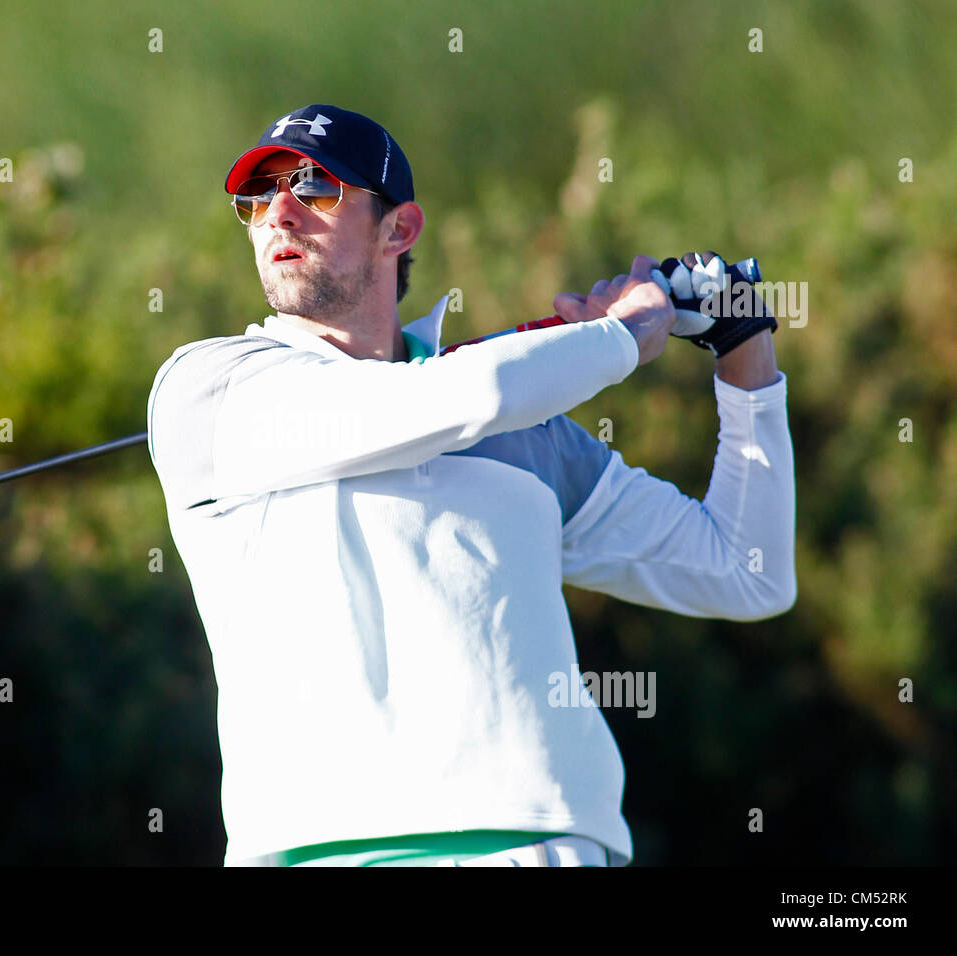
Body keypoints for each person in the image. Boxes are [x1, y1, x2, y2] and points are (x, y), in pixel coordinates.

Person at [146, 104, 795, 866]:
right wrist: (620, 338)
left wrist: (742, 343)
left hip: (543, 846)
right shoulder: (209, 389)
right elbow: (463, 397)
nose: (279, 213)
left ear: (399, 229)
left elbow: (746, 572)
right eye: (257, 198)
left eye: (316, 187)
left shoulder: (524, 427)